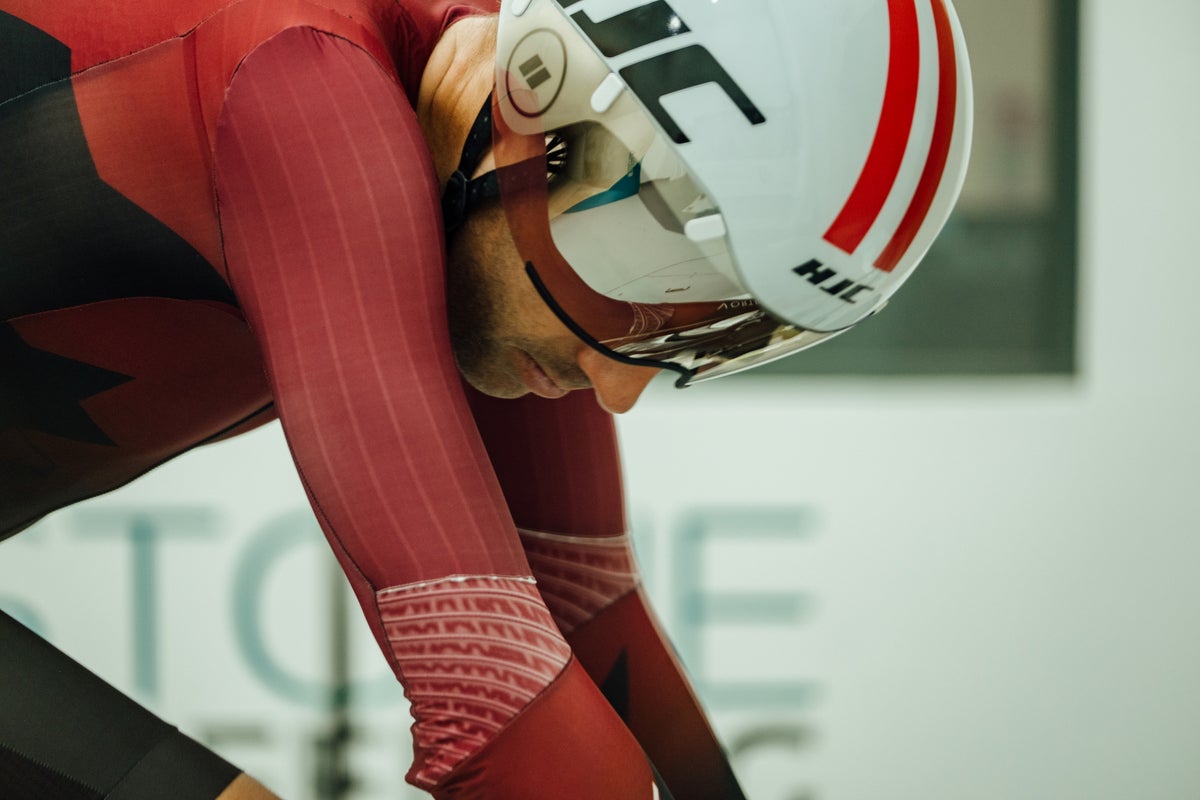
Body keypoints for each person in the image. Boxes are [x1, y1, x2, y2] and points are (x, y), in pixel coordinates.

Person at [0, 0, 972, 797]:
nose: (621, 384)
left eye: (710, 333)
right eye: (651, 274)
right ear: (538, 79)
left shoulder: (499, 168)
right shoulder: (309, 82)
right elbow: (515, 729)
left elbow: (590, 617)